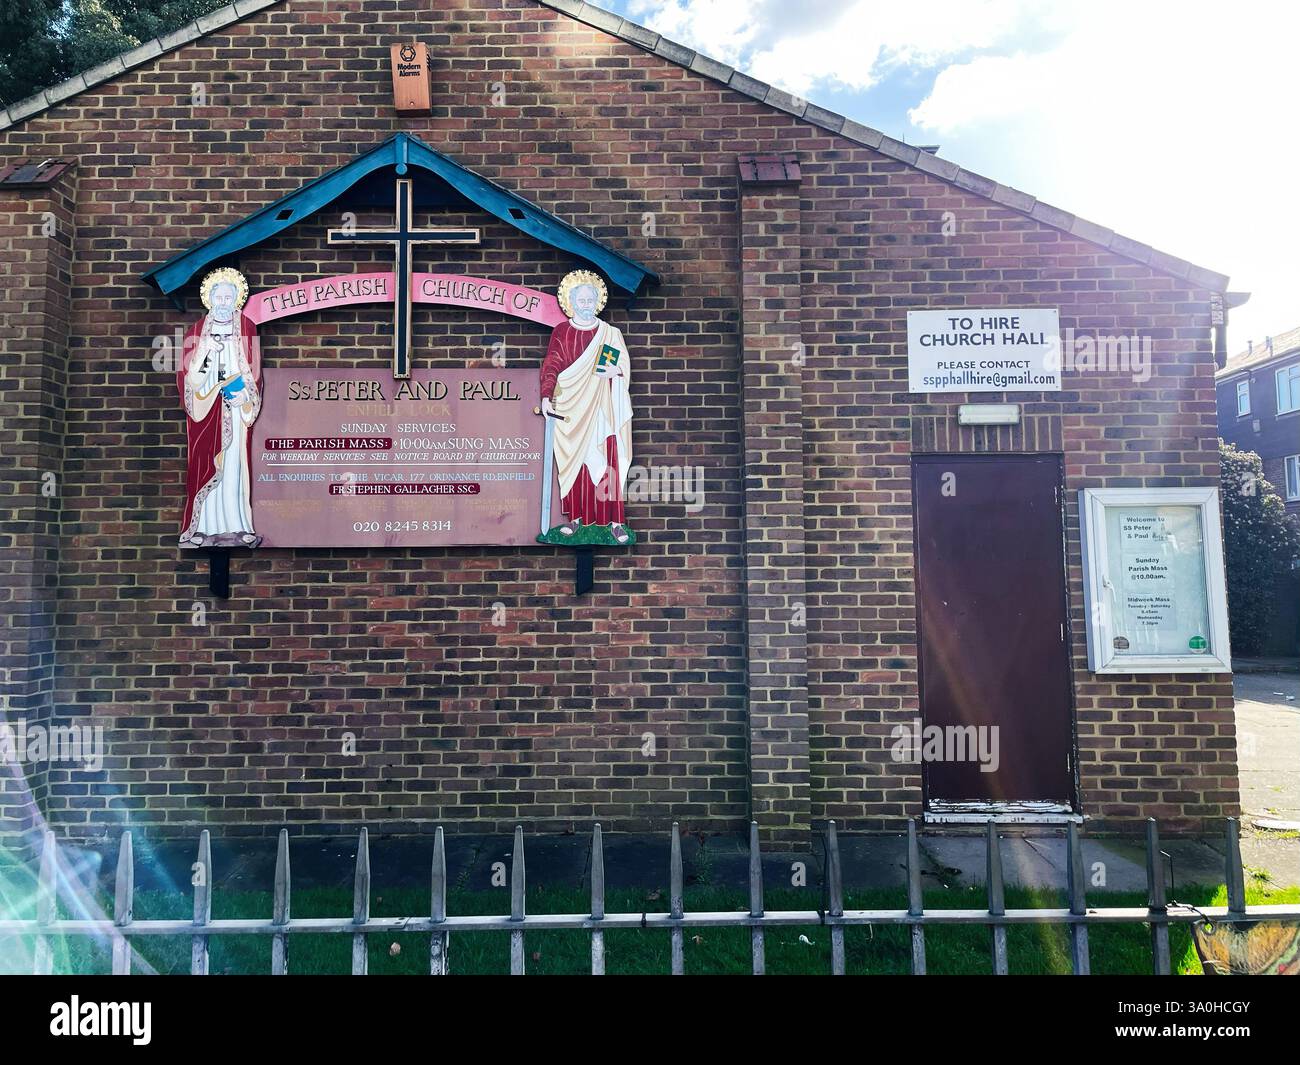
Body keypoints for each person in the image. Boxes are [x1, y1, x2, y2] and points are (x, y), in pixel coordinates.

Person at [539, 270, 633, 544]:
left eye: (590, 299)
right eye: (580, 300)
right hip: (571, 406)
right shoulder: (562, 332)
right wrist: (546, 395)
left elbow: (622, 367)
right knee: (575, 463)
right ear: (571, 301)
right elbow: (552, 364)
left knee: (608, 459)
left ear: (597, 301)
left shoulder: (610, 333)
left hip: (603, 406)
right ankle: (577, 520)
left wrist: (615, 371)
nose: (585, 304)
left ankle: (614, 521)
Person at [177, 267, 262, 548]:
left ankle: (238, 525)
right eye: (219, 296)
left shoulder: (246, 328)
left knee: (236, 465)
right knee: (205, 461)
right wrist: (207, 354)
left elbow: (255, 371)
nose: (224, 302)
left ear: (236, 299)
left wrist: (247, 399)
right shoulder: (197, 332)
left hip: (235, 409)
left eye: (230, 297)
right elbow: (189, 379)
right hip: (207, 406)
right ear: (210, 299)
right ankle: (202, 527)